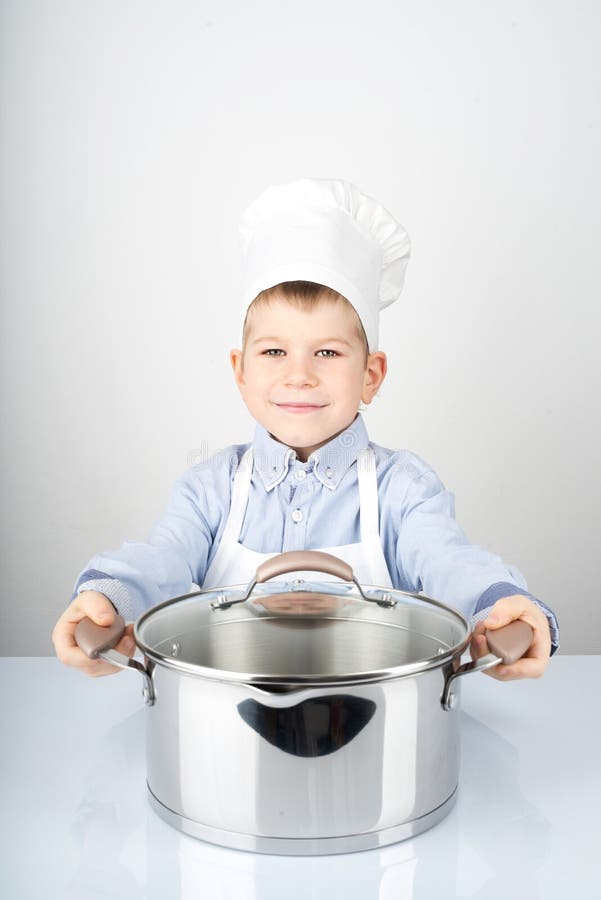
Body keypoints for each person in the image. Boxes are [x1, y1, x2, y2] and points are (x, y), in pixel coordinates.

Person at [52, 177, 559, 681]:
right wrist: (107, 599)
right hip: (229, 720)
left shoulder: (403, 489)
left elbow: (448, 561)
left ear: (371, 375)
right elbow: (162, 558)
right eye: (274, 351)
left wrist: (500, 607)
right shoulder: (209, 489)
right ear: (240, 371)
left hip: (377, 718)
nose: (299, 375)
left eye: (328, 352)